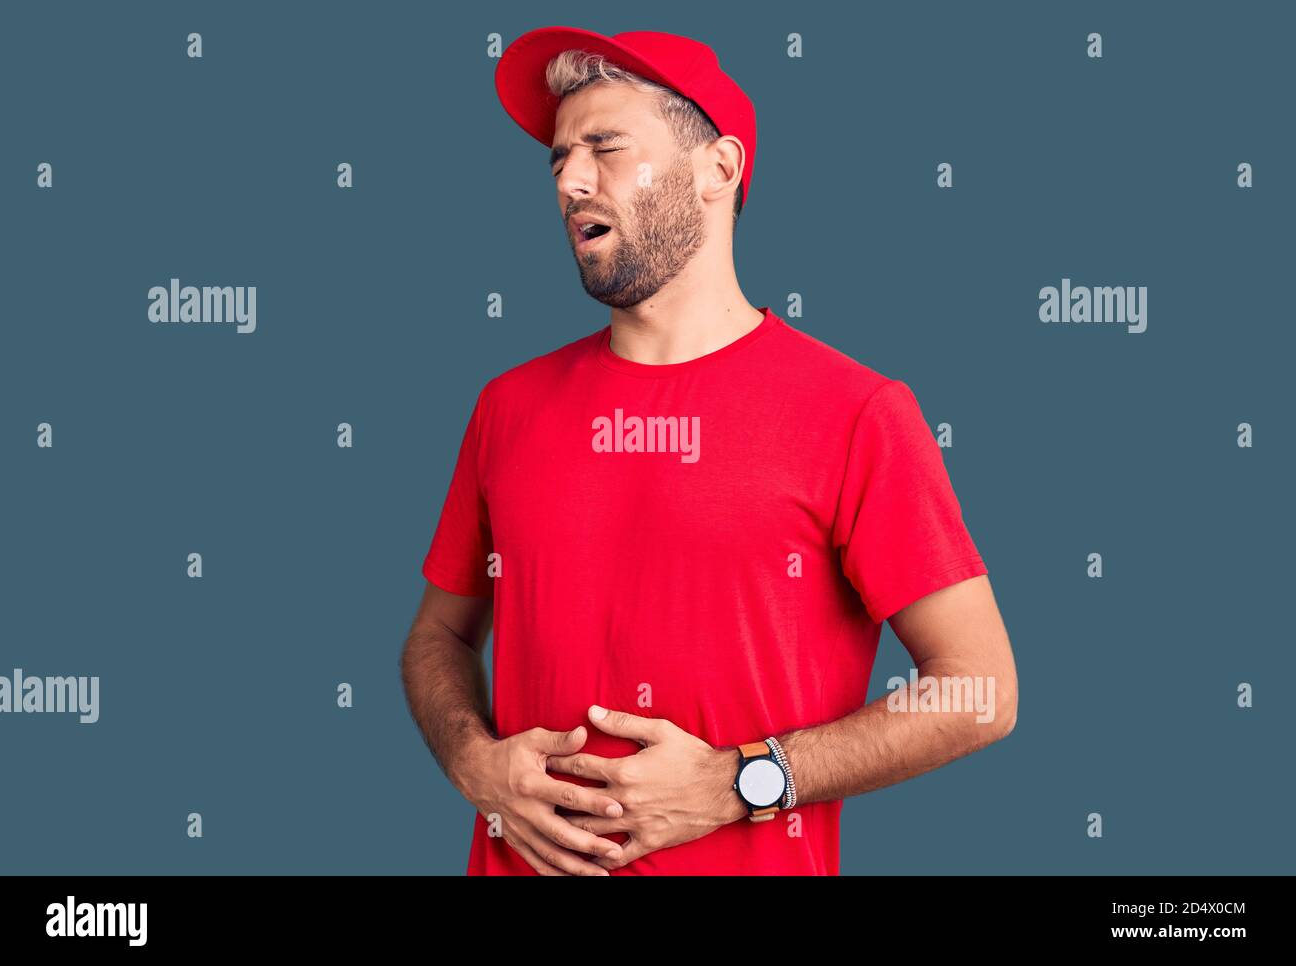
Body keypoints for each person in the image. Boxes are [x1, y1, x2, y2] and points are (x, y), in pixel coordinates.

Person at [401, 27, 1017, 875]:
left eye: (605, 146)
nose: (571, 181)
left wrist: (745, 782)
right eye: (557, 161)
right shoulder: (507, 407)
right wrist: (473, 762)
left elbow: (980, 691)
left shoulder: (856, 412)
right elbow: (436, 637)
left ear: (717, 170)